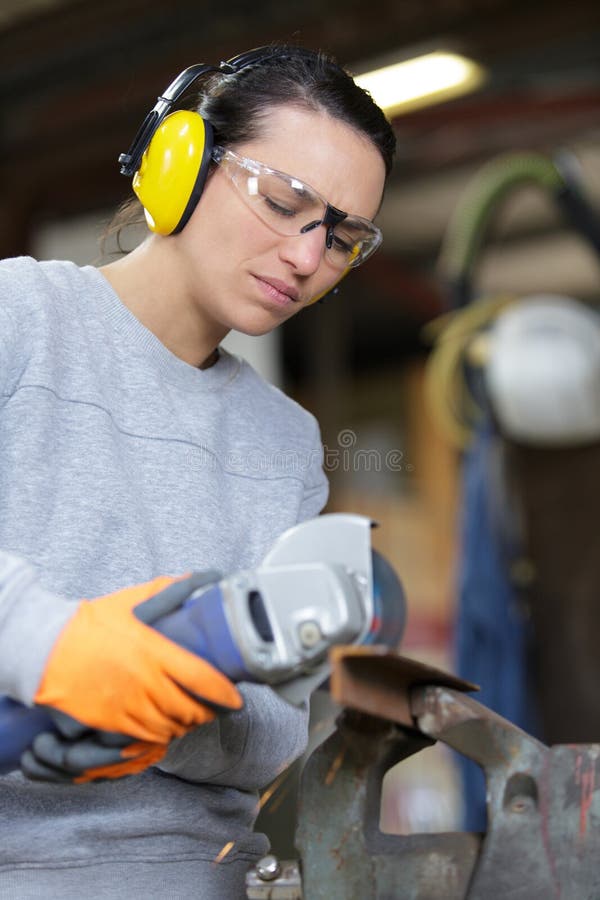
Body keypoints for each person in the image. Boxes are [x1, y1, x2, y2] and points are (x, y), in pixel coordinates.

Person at [0, 44, 396, 899]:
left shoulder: (286, 441)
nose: (305, 257)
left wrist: (156, 696)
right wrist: (51, 645)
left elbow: (279, 736)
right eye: (285, 202)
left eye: (342, 237)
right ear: (177, 161)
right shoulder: (19, 321)